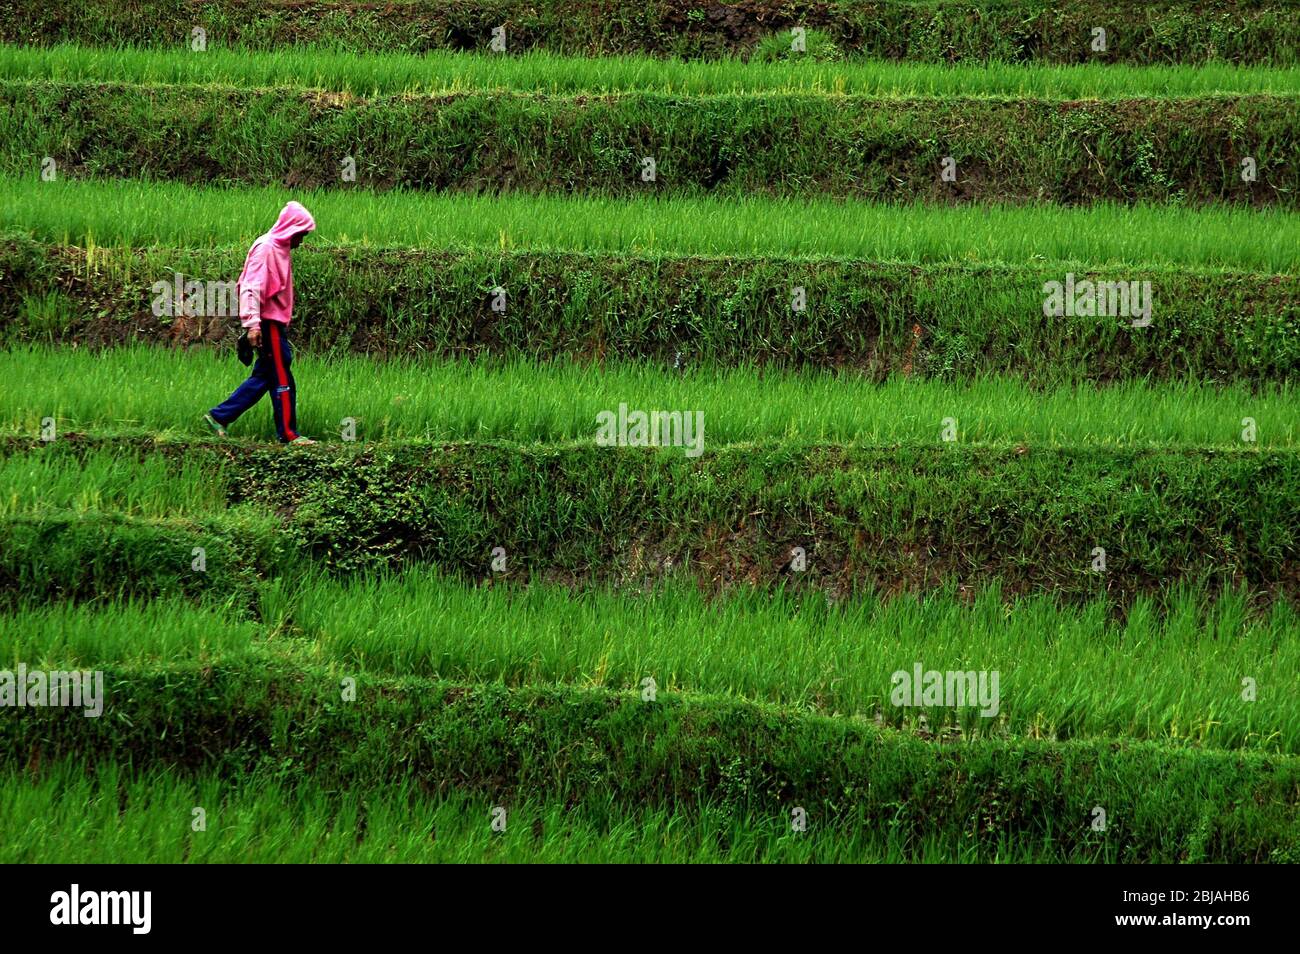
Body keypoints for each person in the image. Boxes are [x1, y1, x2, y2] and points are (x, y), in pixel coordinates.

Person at [204, 201, 317, 445]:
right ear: (291, 229)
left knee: (269, 373)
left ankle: (220, 416)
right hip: (267, 323)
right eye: (301, 235)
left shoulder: (279, 249)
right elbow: (250, 288)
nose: (301, 241)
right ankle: (288, 434)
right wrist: (253, 325)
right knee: (280, 375)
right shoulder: (266, 249)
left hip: (272, 322)